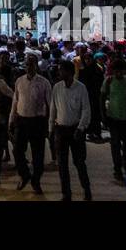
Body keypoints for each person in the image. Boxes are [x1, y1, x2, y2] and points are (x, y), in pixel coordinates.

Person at [49, 59, 93, 201]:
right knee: (62, 165)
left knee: (79, 162)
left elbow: (86, 110)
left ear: (69, 72)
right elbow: (53, 109)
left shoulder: (81, 88)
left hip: (76, 130)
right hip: (60, 130)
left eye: (61, 70)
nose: (59, 72)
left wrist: (80, 128)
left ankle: (86, 190)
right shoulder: (57, 87)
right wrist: (51, 129)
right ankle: (66, 193)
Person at [9, 54, 50, 193]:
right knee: (17, 150)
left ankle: (36, 181)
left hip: (37, 121)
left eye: (31, 64)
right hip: (21, 120)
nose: (28, 67)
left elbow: (49, 104)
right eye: (26, 64)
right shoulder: (19, 81)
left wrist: (49, 125)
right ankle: (24, 175)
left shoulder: (44, 83)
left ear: (36, 65)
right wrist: (11, 119)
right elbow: (15, 102)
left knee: (38, 154)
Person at [101, 56, 126, 183]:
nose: (118, 73)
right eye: (116, 70)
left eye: (120, 70)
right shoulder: (108, 81)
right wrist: (104, 116)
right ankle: (118, 169)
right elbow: (102, 98)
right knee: (116, 146)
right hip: (114, 118)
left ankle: (125, 161)